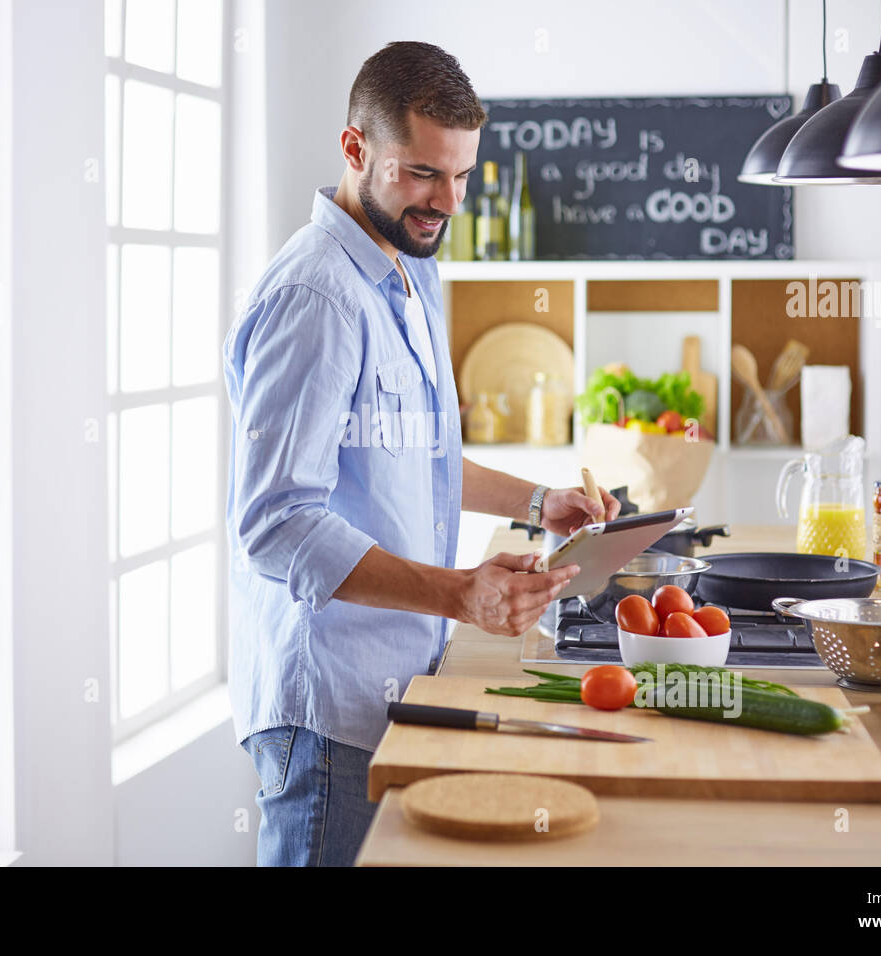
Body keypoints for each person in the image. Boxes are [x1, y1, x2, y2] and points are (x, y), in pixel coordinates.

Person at [223, 40, 619, 867]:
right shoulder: (316, 296)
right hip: (327, 709)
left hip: (398, 687)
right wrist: (458, 596)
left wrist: (538, 503)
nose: (445, 200)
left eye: (462, 175)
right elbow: (275, 525)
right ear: (354, 148)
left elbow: (413, 459)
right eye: (421, 174)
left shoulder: (407, 271)